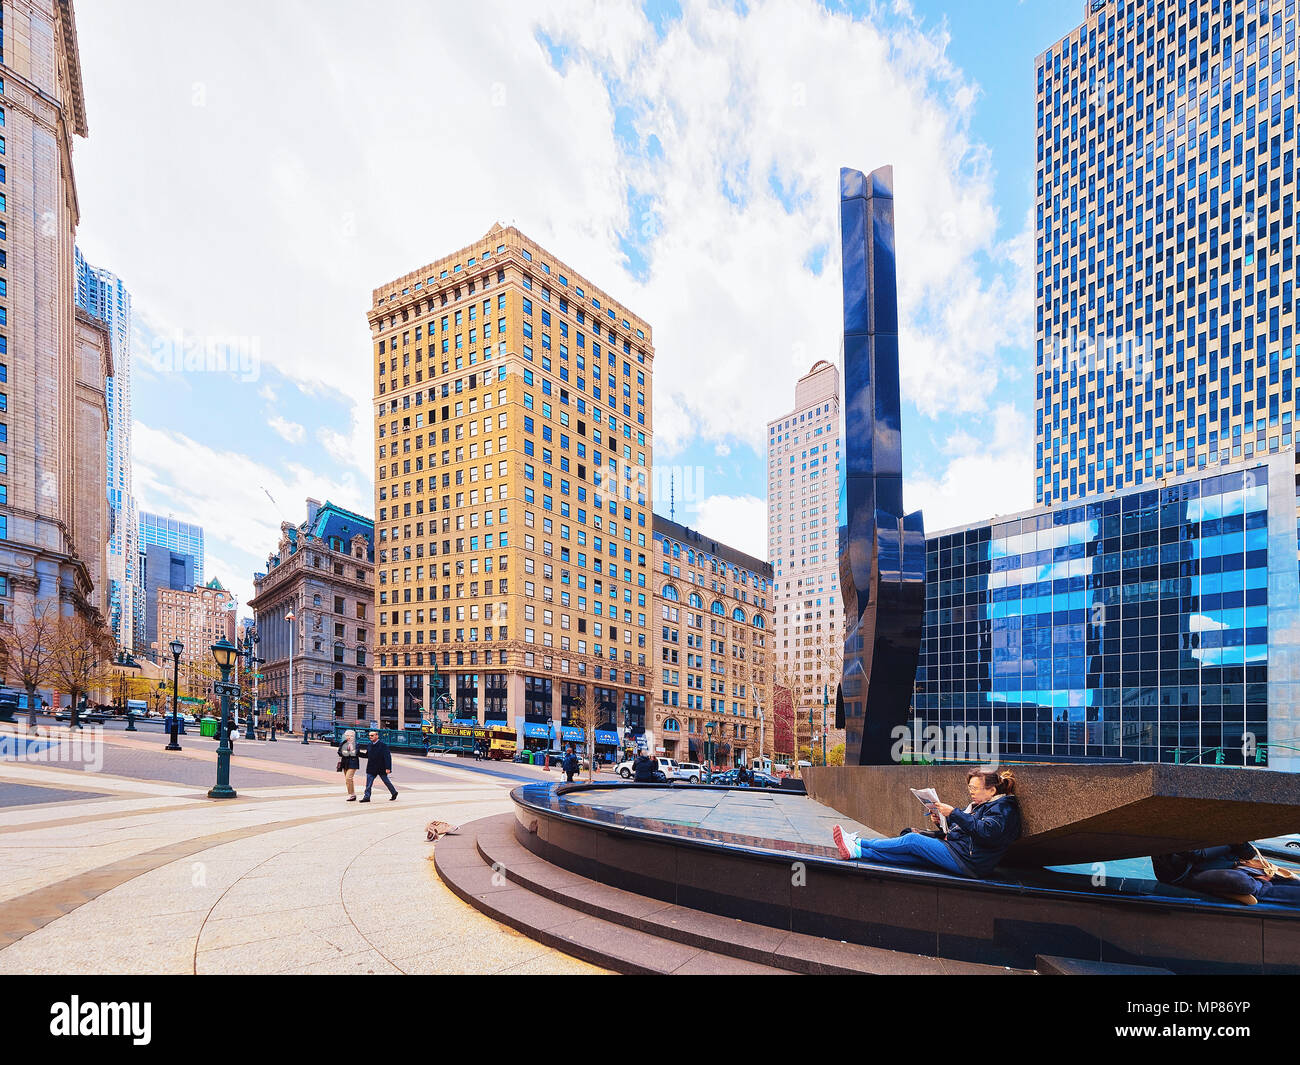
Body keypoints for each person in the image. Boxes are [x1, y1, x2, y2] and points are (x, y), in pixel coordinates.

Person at [832, 769, 1021, 877]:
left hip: (969, 862)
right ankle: (856, 852)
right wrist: (942, 821)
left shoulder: (1003, 809)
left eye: (975, 788)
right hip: (959, 852)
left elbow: (987, 833)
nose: (971, 792)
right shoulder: (981, 805)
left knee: (914, 841)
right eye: (969, 787)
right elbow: (965, 830)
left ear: (992, 790)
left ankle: (859, 842)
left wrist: (954, 813)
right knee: (913, 855)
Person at [1152, 844, 1300, 906]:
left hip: (1237, 867)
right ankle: (1264, 887)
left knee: (1287, 879)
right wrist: (1231, 842)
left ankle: (1264, 883)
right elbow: (1197, 854)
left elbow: (1248, 853)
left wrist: (1238, 841)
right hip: (1193, 873)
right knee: (1241, 882)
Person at [359, 729, 398, 802]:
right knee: (368, 784)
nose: (370, 737)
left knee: (386, 782)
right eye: (369, 735)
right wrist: (358, 753)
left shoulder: (383, 745)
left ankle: (394, 792)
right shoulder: (369, 744)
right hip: (371, 767)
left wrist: (388, 768)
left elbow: (387, 757)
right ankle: (367, 797)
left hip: (381, 767)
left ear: (377, 736)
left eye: (372, 735)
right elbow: (367, 755)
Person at [338, 729, 360, 801]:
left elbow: (355, 753)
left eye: (350, 735)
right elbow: (339, 752)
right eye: (346, 735)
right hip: (345, 763)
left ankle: (351, 794)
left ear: (353, 736)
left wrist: (345, 753)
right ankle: (352, 794)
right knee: (348, 780)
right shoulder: (343, 743)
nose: (348, 737)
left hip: (353, 763)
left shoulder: (356, 744)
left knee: (348, 778)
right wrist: (348, 752)